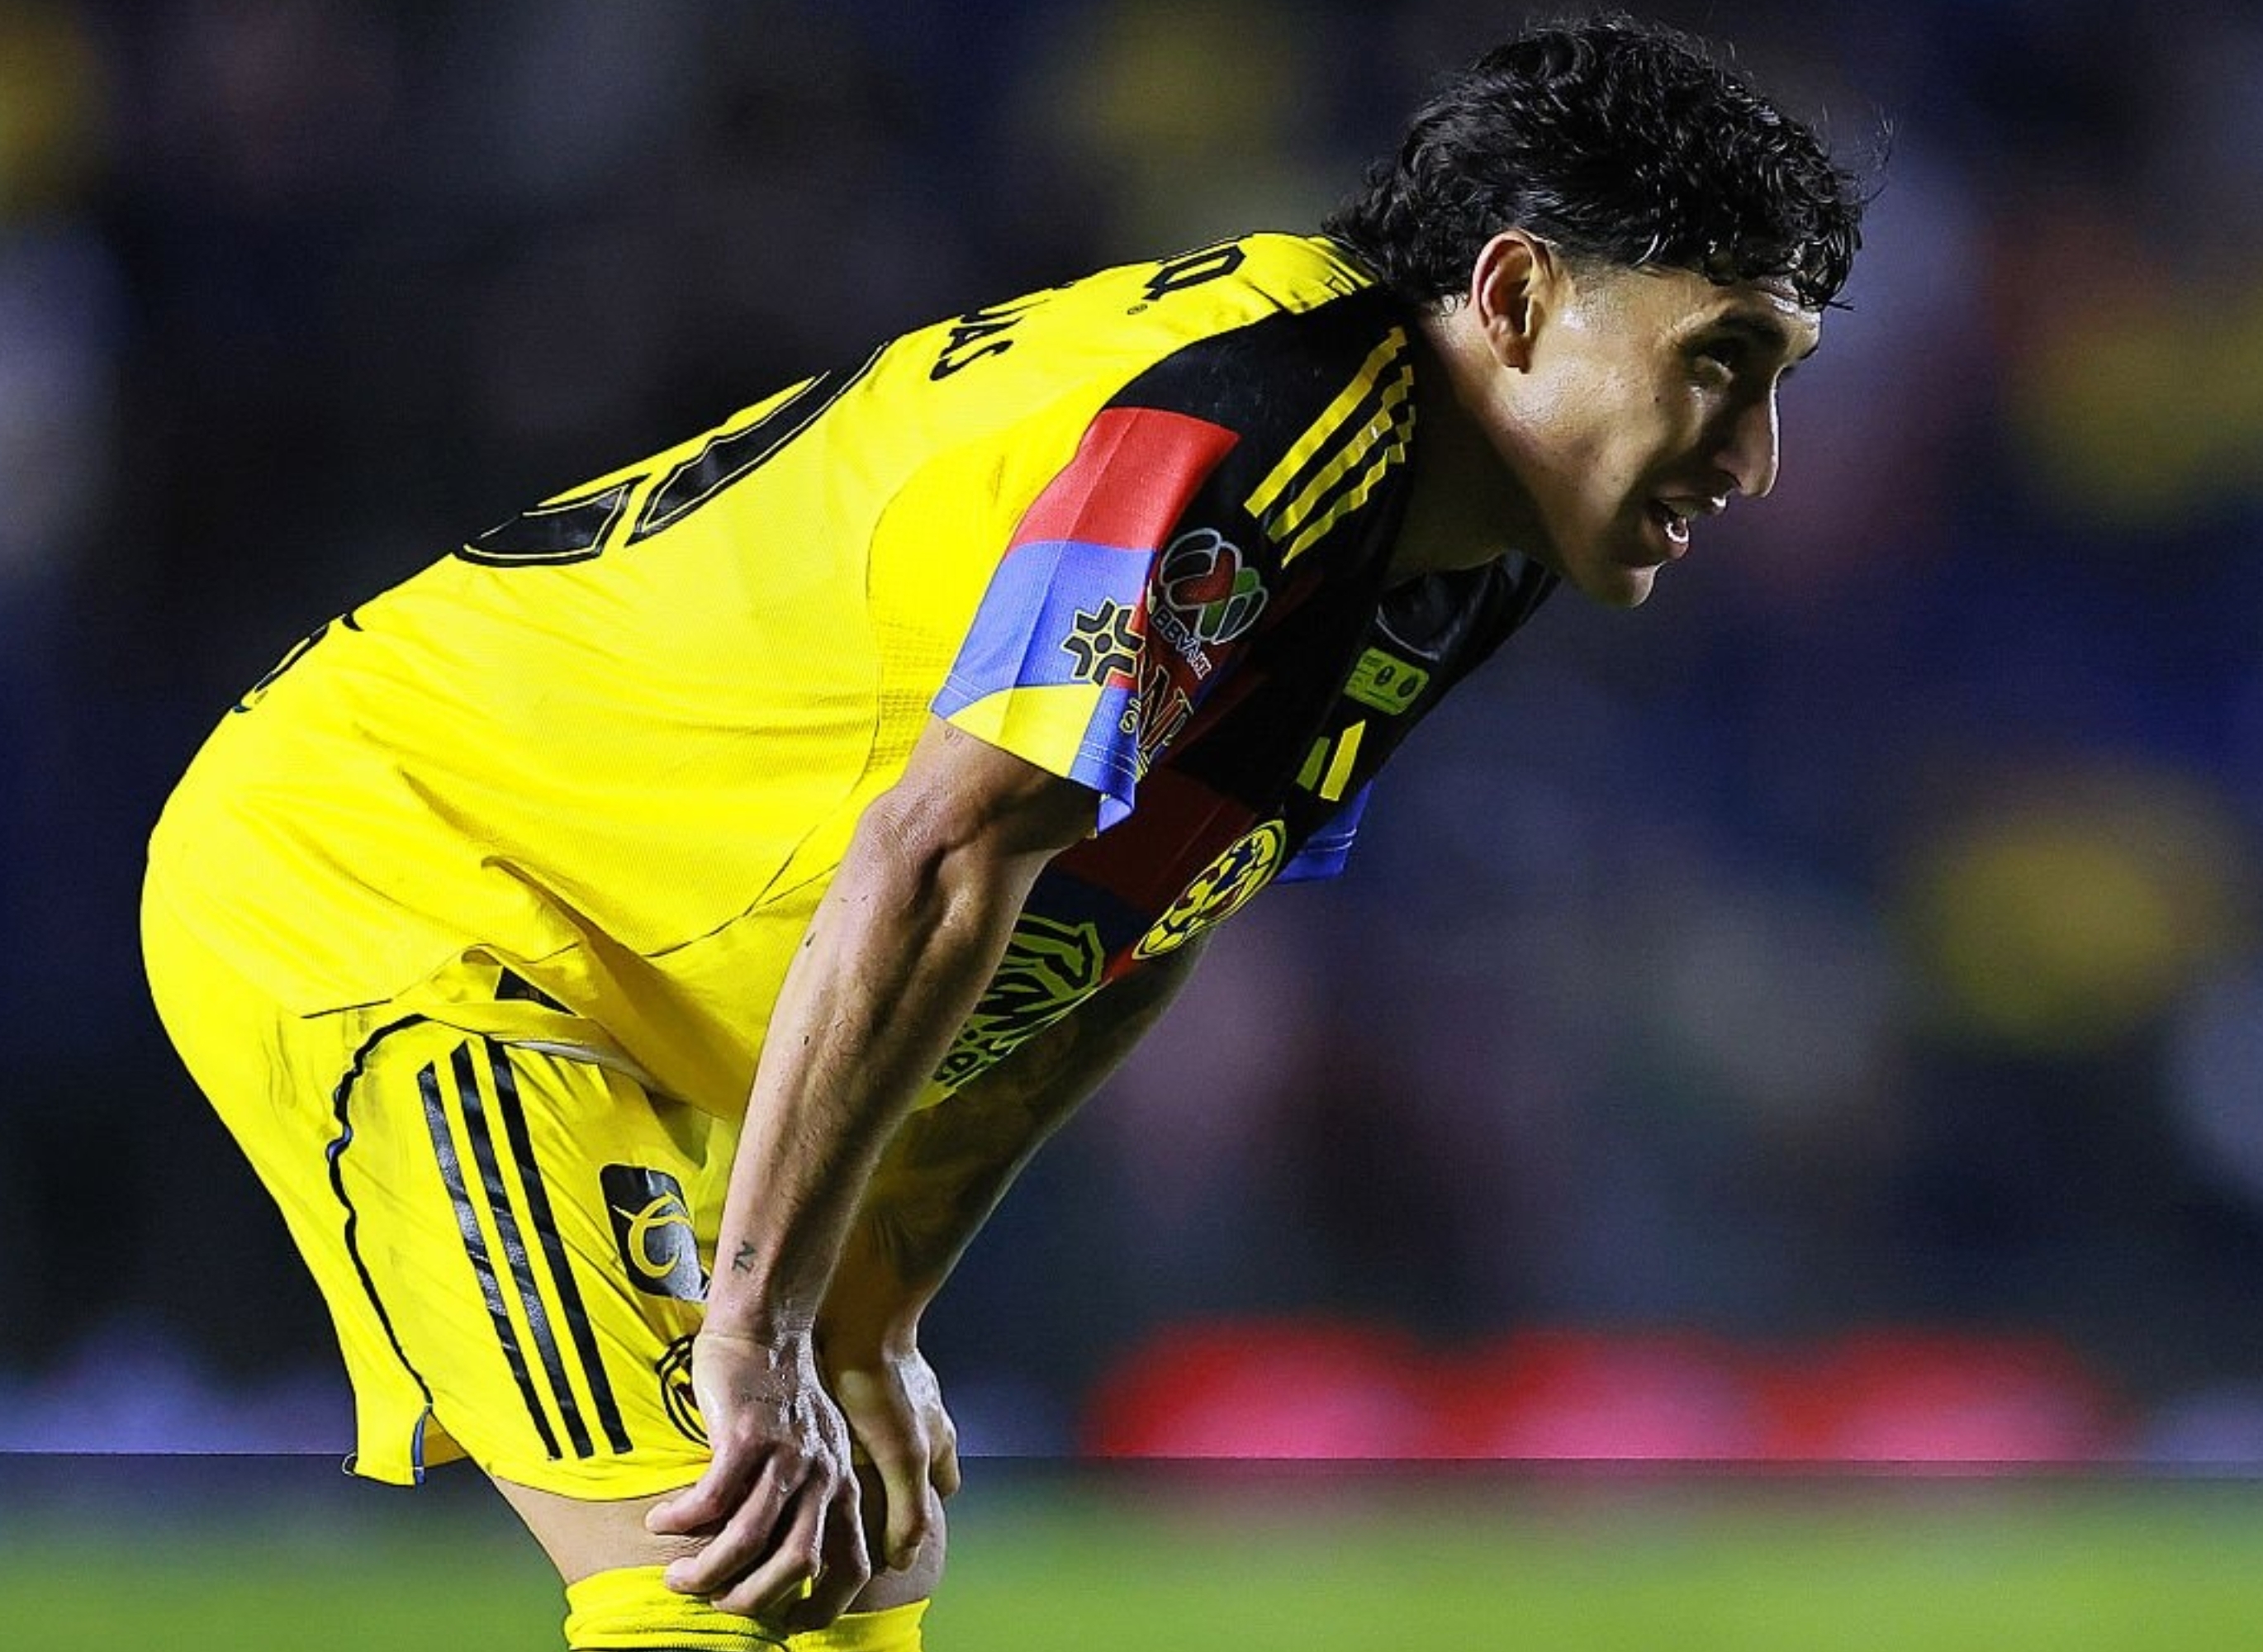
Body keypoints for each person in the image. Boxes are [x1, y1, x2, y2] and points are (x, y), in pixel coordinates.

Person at [141, 14, 1864, 1650]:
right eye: (1716, 364)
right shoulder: (1255, 421)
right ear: (1511, 294)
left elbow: (1127, 910)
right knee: (717, 1575)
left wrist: (871, 1302)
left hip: (625, 965)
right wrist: (758, 1321)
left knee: (839, 1570)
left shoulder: (1451, 534)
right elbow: (942, 853)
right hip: (400, 885)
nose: (1756, 458)